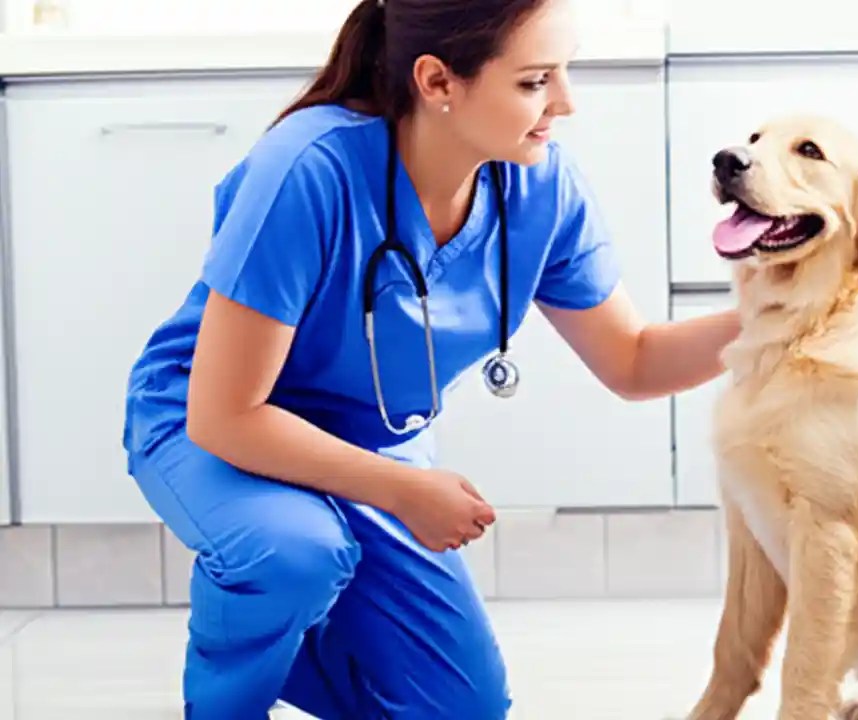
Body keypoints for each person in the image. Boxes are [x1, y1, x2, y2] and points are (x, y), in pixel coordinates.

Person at [119, 0, 747, 717]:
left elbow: (634, 362)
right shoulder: (307, 167)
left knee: (463, 707)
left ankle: (291, 611)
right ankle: (242, 663)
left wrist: (781, 321)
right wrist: (403, 490)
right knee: (295, 554)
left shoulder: (539, 186)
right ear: (438, 81)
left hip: (368, 445)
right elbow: (225, 414)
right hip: (213, 424)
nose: (566, 104)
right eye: (535, 81)